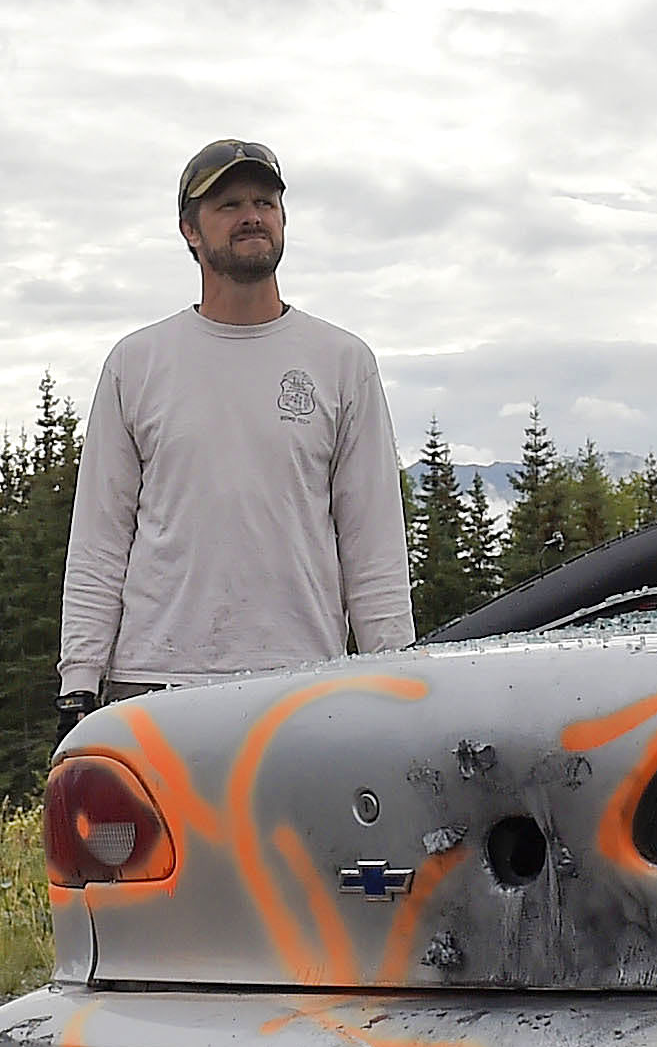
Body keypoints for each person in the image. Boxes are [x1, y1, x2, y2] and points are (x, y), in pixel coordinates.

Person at [55, 139, 414, 719]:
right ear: (190, 231)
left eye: (265, 201)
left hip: (304, 685)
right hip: (152, 687)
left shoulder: (343, 362)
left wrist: (394, 675)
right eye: (228, 205)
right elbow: (100, 539)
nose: (252, 216)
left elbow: (373, 542)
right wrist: (79, 678)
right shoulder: (136, 364)